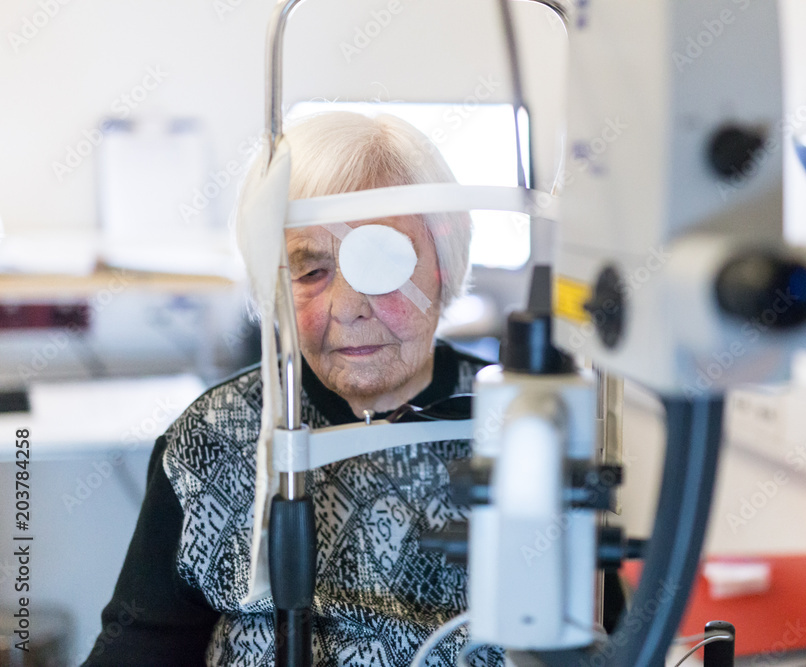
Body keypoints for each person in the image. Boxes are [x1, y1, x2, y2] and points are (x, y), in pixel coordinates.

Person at [83, 112, 501, 666]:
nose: (349, 308)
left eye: (382, 262)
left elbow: (605, 640)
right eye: (310, 271)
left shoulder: (523, 423)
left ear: (443, 263)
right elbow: (137, 652)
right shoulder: (213, 440)